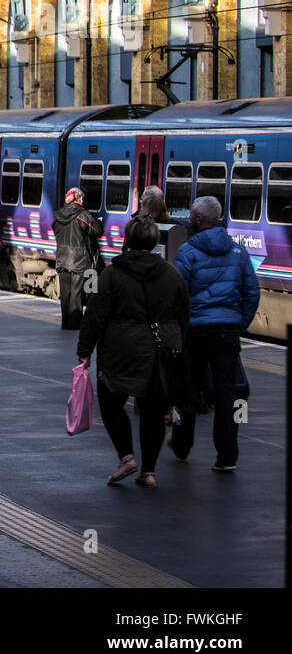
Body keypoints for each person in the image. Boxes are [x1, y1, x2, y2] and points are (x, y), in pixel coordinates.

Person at [77, 216, 190, 488]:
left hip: (121, 349)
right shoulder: (172, 273)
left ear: (127, 240)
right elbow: (184, 313)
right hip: (161, 348)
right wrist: (179, 346)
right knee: (153, 409)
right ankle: (148, 472)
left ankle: (126, 456)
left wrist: (85, 350)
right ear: (153, 241)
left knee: (110, 400)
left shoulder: (112, 274)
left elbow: (95, 315)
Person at [167, 196, 260, 472]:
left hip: (195, 333)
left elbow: (177, 294)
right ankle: (227, 456)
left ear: (197, 220)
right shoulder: (238, 252)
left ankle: (182, 444)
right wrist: (239, 323)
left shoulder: (187, 253)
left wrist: (181, 326)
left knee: (188, 389)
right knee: (227, 394)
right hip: (226, 333)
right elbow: (252, 293)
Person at [54, 187, 104, 329]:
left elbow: (55, 230)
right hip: (78, 261)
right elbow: (97, 230)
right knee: (76, 293)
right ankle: (75, 324)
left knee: (65, 294)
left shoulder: (58, 215)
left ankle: (66, 323)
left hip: (62, 259)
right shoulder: (83, 215)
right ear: (79, 198)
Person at [133, 185, 187, 262]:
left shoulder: (137, 225)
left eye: (142, 199)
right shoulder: (177, 228)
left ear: (147, 203)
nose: (140, 201)